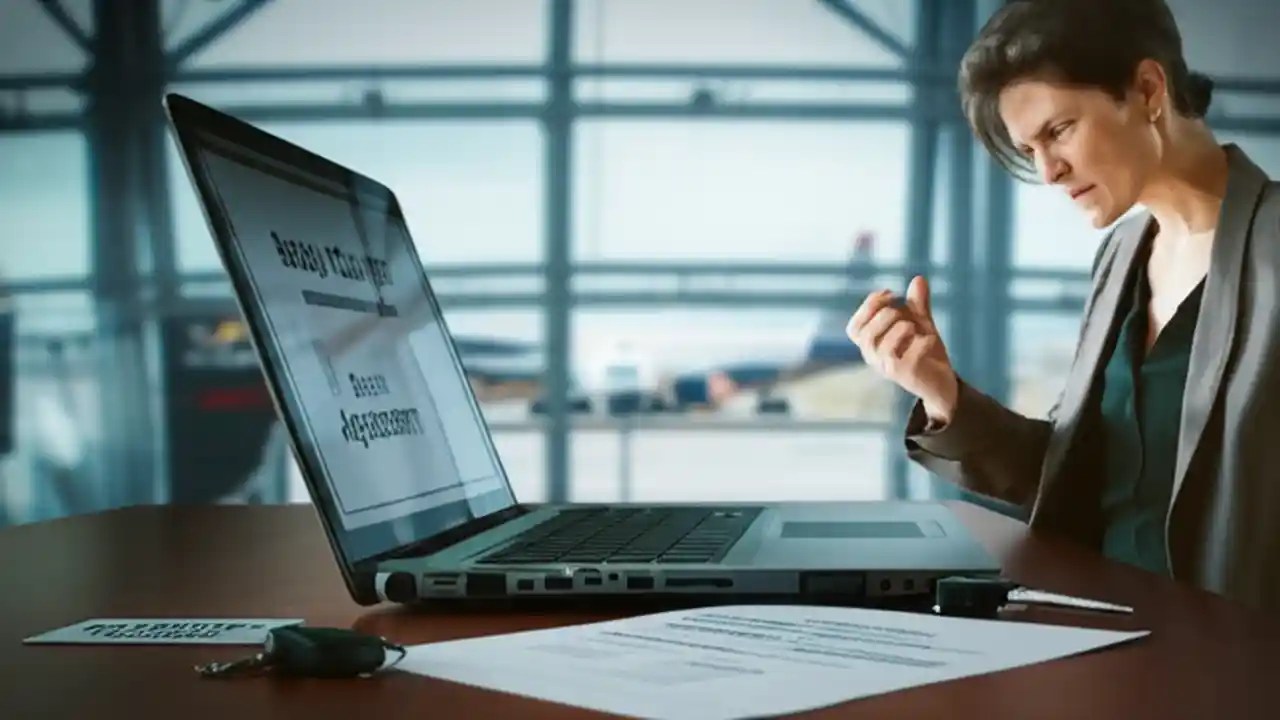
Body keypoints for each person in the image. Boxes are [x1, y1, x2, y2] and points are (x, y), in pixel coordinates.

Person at [846, 0, 1280, 611]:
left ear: (1148, 89)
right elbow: (1076, 474)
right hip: (1105, 634)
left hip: (1234, 663)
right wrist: (942, 393)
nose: (1047, 172)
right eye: (1029, 150)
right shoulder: (1122, 256)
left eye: (1058, 130)